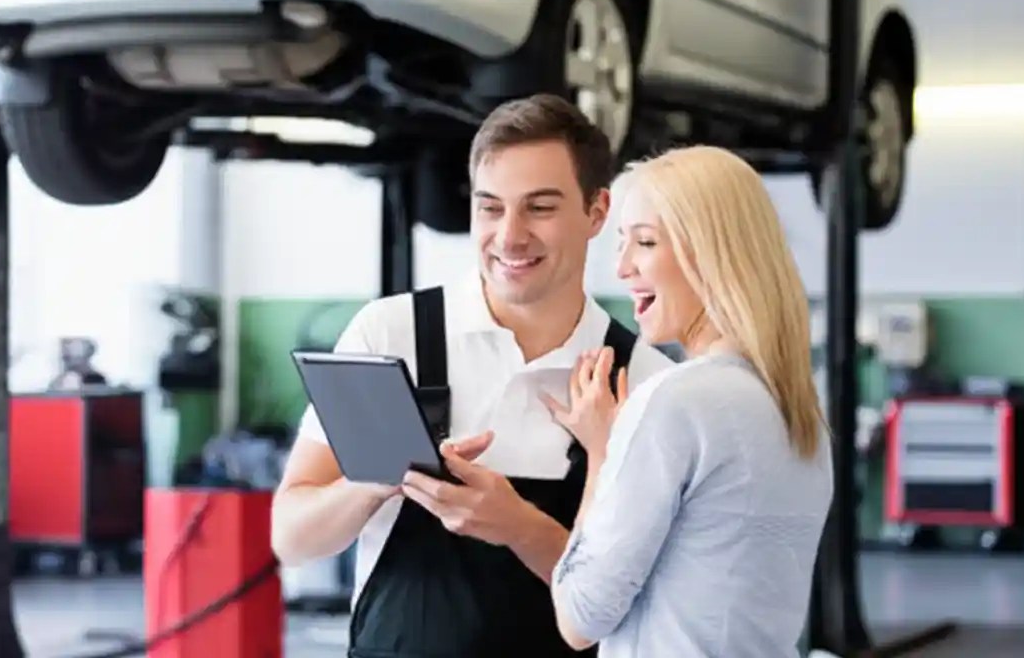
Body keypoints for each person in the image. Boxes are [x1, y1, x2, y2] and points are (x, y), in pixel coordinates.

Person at [271, 94, 676, 657]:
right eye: (490, 207)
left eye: (540, 208)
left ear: (596, 213)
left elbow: (650, 602)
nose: (509, 236)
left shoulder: (645, 380)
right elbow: (290, 538)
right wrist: (384, 475)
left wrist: (518, 525)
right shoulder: (391, 335)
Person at [544, 145, 835, 658]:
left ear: (710, 253)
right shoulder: (797, 411)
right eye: (620, 244)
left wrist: (600, 455)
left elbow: (581, 616)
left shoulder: (676, 401)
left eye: (646, 242)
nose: (623, 268)